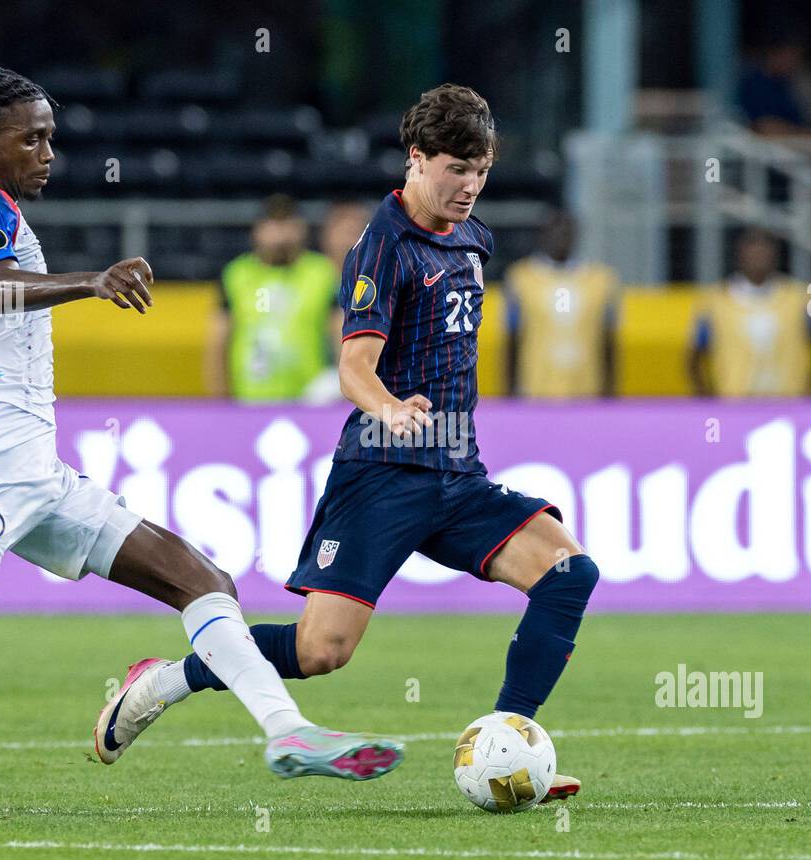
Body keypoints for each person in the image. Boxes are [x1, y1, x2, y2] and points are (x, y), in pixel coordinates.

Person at [0, 67, 402, 784]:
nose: (46, 153)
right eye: (29, 139)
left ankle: (287, 732)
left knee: (202, 579)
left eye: (51, 139)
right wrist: (92, 282)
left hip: (30, 460)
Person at [104, 84, 596, 804]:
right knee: (320, 651)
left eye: (481, 169)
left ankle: (507, 744)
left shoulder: (473, 237)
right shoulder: (382, 247)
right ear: (416, 158)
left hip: (459, 475)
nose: (469, 186)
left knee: (568, 576)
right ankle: (170, 677)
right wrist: (391, 408)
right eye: (456, 168)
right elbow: (353, 367)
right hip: (383, 473)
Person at [218, 194, 339, 402]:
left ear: (301, 229)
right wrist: (221, 400)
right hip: (250, 397)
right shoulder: (237, 274)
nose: (281, 235)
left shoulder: (322, 272)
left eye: (287, 224)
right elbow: (219, 340)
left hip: (310, 397)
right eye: (274, 224)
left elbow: (340, 332)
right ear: (257, 231)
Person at [688, 229, 811, 397]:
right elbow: (695, 355)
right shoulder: (716, 301)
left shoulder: (798, 298)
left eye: (764, 253)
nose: (758, 259)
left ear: (775, 256)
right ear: (739, 256)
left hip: (788, 401)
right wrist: (705, 394)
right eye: (752, 253)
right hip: (735, 402)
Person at [504, 209, 621, 397]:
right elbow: (512, 339)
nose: (560, 238)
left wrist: (611, 390)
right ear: (542, 236)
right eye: (554, 231)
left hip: (587, 389)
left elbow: (608, 341)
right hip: (535, 390)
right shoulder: (521, 278)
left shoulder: (601, 281)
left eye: (566, 232)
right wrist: (509, 391)